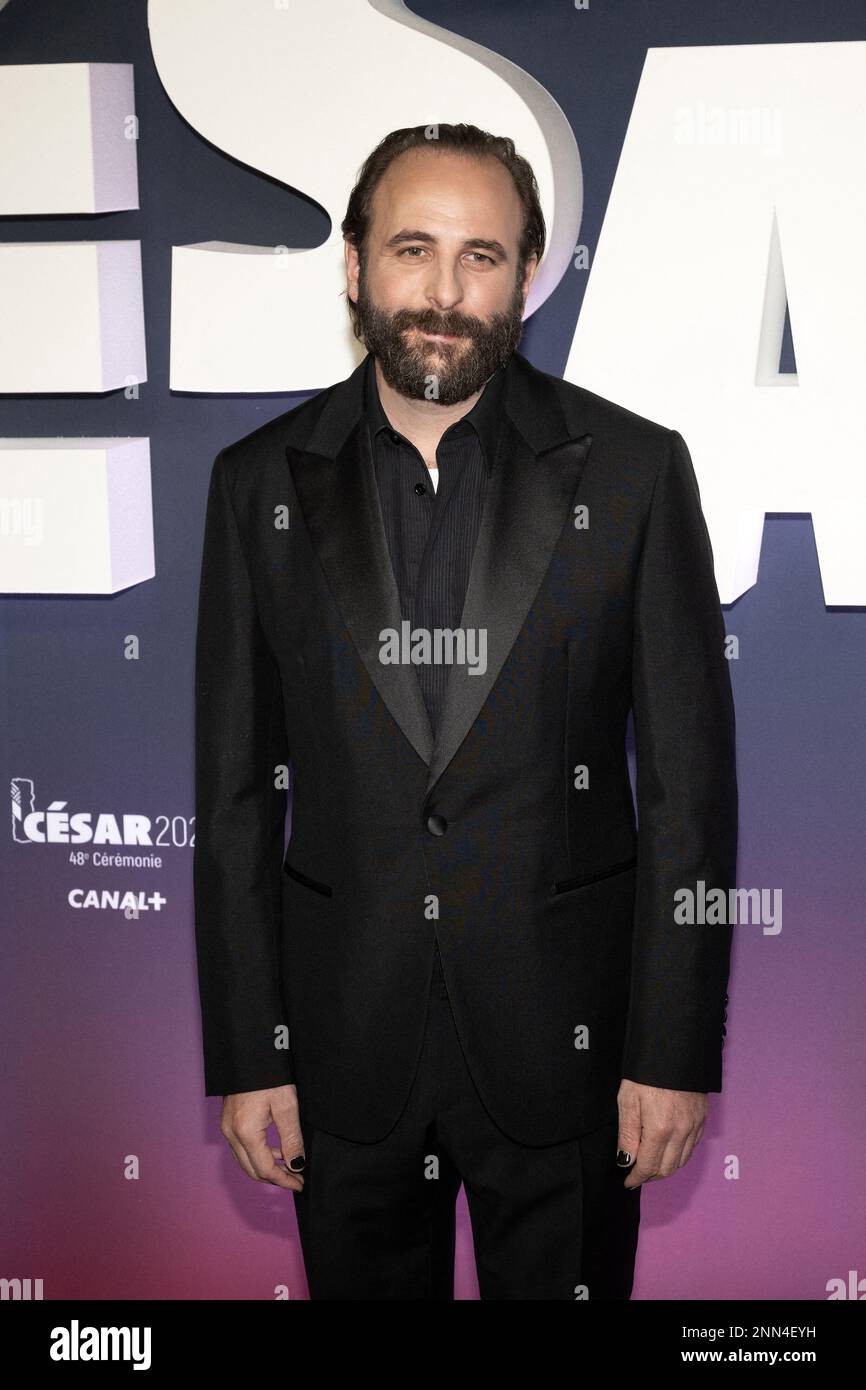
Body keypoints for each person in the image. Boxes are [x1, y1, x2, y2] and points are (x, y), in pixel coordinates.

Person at [193, 123, 738, 1300]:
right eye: (411, 249)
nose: (442, 293)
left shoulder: (632, 474)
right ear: (353, 266)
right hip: (344, 1053)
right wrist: (251, 1053)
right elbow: (234, 798)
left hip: (571, 1055)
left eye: (480, 256)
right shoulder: (256, 485)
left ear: (527, 277)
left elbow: (691, 791)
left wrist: (670, 1049)